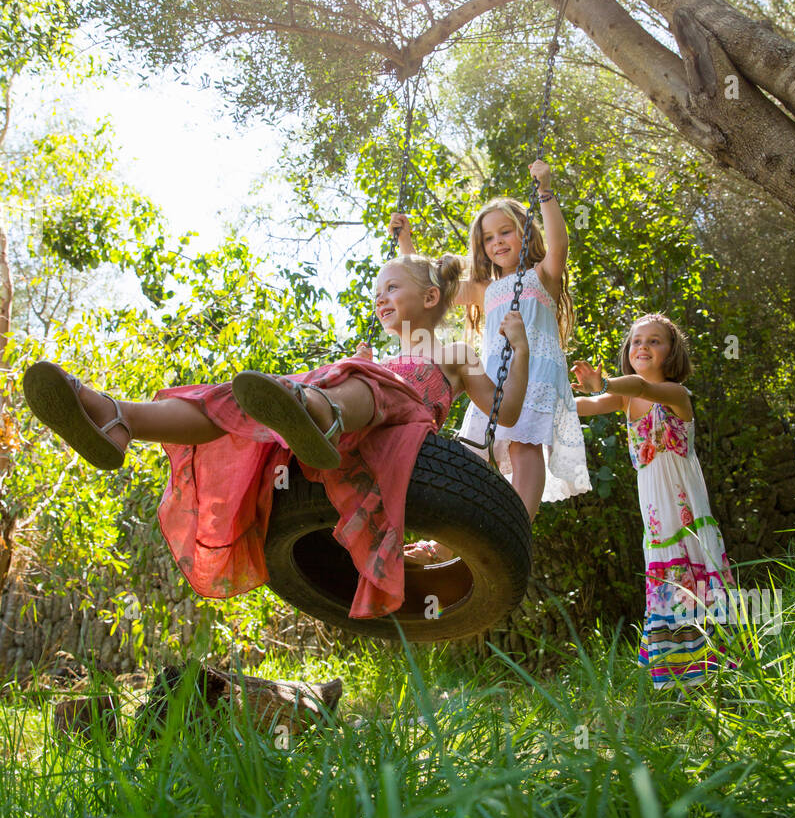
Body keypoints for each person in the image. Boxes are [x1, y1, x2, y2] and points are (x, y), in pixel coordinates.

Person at [22, 254, 529, 621]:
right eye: (377, 293)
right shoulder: (370, 353)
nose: (380, 299)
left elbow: (506, 410)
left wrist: (520, 347)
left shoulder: (454, 354)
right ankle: (120, 418)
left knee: (363, 380)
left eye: (392, 289)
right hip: (332, 432)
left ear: (431, 297)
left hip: (398, 431)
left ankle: (321, 412)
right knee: (236, 401)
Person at [391, 159, 590, 538]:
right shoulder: (484, 289)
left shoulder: (542, 275)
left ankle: (516, 529)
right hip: (494, 376)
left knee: (523, 446)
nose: (497, 242)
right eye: (488, 237)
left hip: (534, 369)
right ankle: (446, 545)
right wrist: (406, 242)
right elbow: (431, 287)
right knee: (471, 455)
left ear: (524, 233)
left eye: (506, 232)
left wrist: (544, 190)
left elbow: (560, 242)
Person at [572, 313, 752, 693]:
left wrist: (602, 381)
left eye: (655, 341)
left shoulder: (675, 393)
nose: (643, 347)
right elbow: (585, 406)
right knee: (668, 579)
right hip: (655, 514)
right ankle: (682, 677)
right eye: (637, 341)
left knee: (697, 574)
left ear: (671, 353)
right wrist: (540, 405)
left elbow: (641, 386)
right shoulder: (624, 400)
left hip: (685, 507)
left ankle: (722, 670)